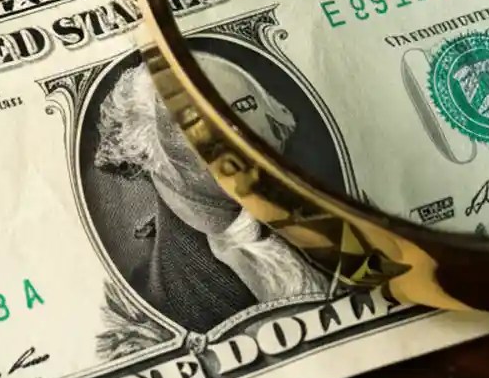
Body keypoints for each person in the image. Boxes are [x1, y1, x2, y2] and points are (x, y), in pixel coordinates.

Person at [92, 55, 330, 333]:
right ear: (144, 153)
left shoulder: (332, 221)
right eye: (201, 123)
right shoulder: (161, 301)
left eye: (245, 106)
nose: (240, 133)